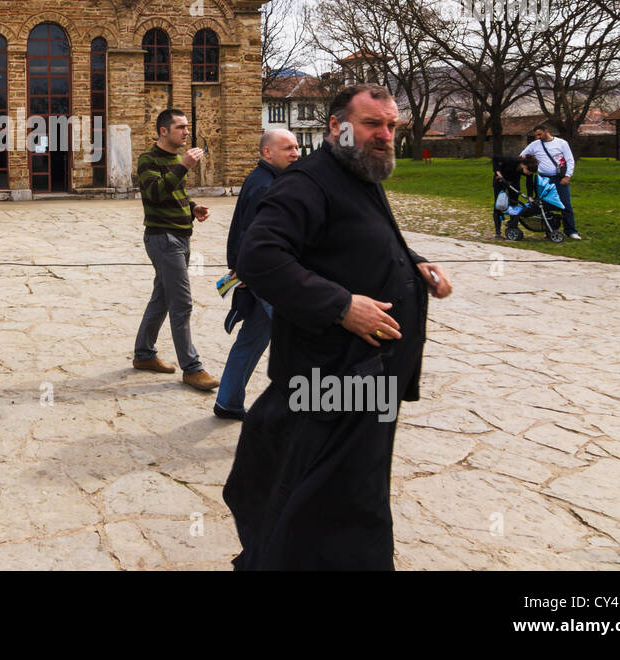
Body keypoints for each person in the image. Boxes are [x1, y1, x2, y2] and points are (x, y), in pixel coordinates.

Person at [223, 84, 453, 570]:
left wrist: (414, 263)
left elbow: (357, 242)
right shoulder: (308, 181)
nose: (385, 135)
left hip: (366, 380)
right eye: (373, 124)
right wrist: (342, 306)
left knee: (338, 500)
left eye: (391, 126)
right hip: (332, 381)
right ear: (337, 126)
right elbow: (259, 257)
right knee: (341, 507)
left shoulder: (359, 173)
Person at [214, 128, 301, 421]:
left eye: (296, 147)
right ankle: (301, 416)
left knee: (252, 338)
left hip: (258, 274)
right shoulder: (266, 186)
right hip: (269, 278)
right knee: (298, 340)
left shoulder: (269, 180)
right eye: (288, 148)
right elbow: (254, 235)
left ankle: (228, 402)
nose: (295, 153)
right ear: (267, 153)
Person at [132, 108, 219, 392]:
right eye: (180, 127)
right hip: (163, 239)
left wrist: (193, 208)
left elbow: (175, 193)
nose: (185, 131)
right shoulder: (149, 159)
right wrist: (183, 167)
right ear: (163, 131)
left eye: (186, 126)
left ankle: (144, 354)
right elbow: (155, 193)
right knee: (182, 303)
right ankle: (192, 369)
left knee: (162, 299)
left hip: (181, 237)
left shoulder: (174, 159)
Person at [519, 123, 581, 239]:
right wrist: (530, 165)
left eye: (540, 134)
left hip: (560, 178)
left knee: (565, 204)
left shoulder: (561, 143)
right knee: (544, 205)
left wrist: (567, 176)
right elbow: (522, 156)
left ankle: (571, 231)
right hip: (543, 179)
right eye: (536, 135)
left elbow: (570, 160)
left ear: (546, 131)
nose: (538, 137)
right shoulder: (535, 145)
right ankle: (550, 230)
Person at [491, 153, 523, 238]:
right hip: (500, 181)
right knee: (499, 204)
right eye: (528, 171)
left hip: (514, 182)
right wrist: (497, 172)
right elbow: (495, 157)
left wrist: (530, 195)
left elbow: (529, 183)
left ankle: (512, 227)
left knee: (514, 203)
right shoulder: (511, 159)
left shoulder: (527, 170)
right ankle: (498, 232)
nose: (528, 174)